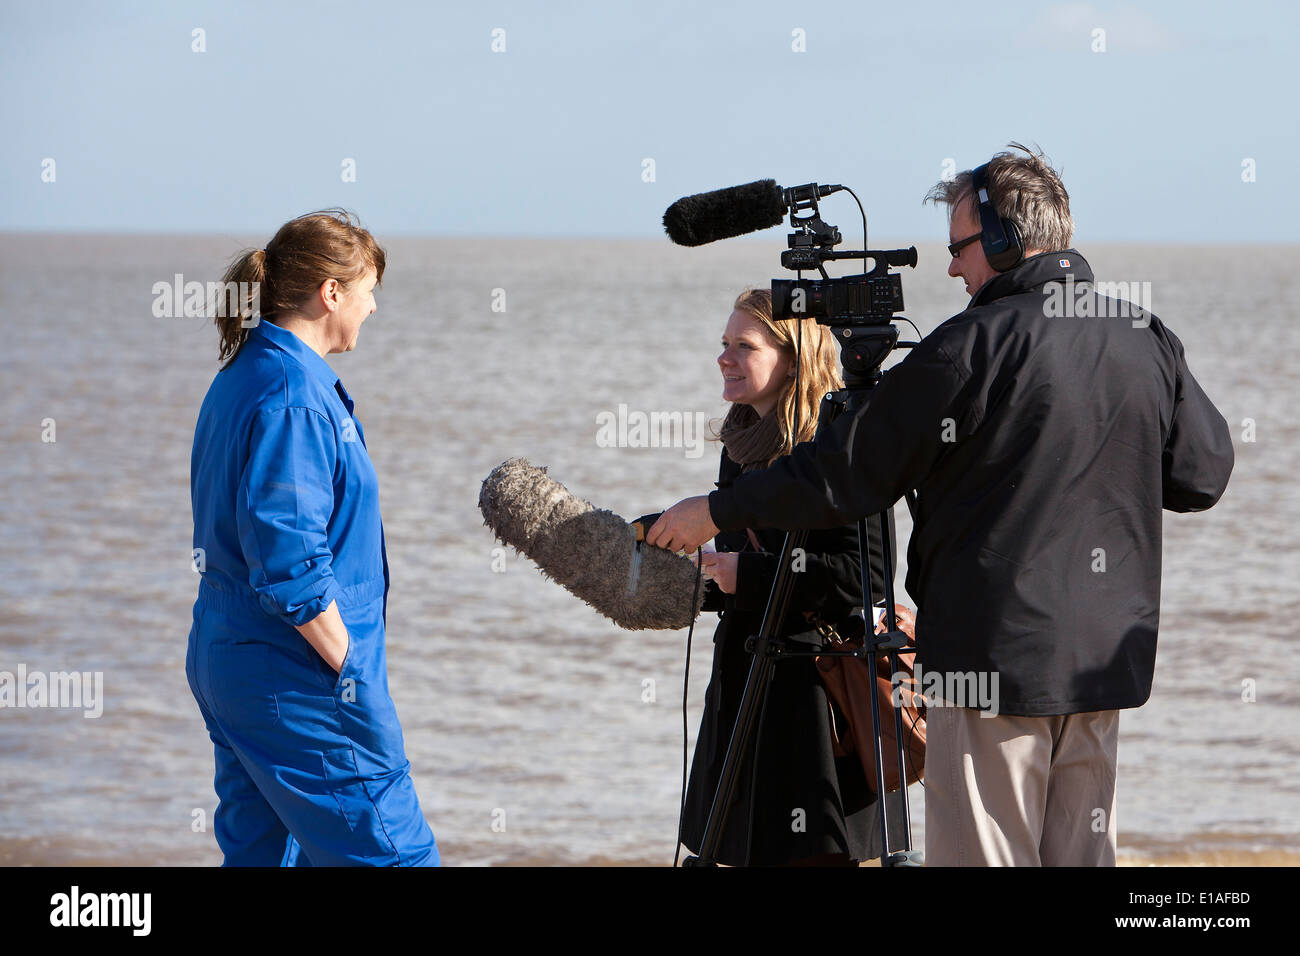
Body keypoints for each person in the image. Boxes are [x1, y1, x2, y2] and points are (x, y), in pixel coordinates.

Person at [648, 144, 1235, 866]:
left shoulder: (972, 345)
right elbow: (1202, 476)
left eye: (959, 248)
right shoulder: (1146, 336)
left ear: (1001, 240)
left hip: (992, 665)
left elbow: (843, 475)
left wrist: (719, 510)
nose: (953, 268)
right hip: (1104, 667)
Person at [186, 209, 439, 866]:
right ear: (332, 293)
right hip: (294, 678)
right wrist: (350, 669)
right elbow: (290, 559)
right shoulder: (294, 393)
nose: (374, 307)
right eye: (368, 289)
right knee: (396, 857)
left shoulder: (247, 371)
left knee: (265, 858)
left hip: (233, 658)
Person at [677, 288, 902, 867]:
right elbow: (734, 568)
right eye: (723, 344)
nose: (724, 357)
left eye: (743, 346)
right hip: (743, 678)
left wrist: (743, 576)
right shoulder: (742, 439)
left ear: (792, 355)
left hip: (813, 694)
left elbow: (867, 577)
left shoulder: (839, 443)